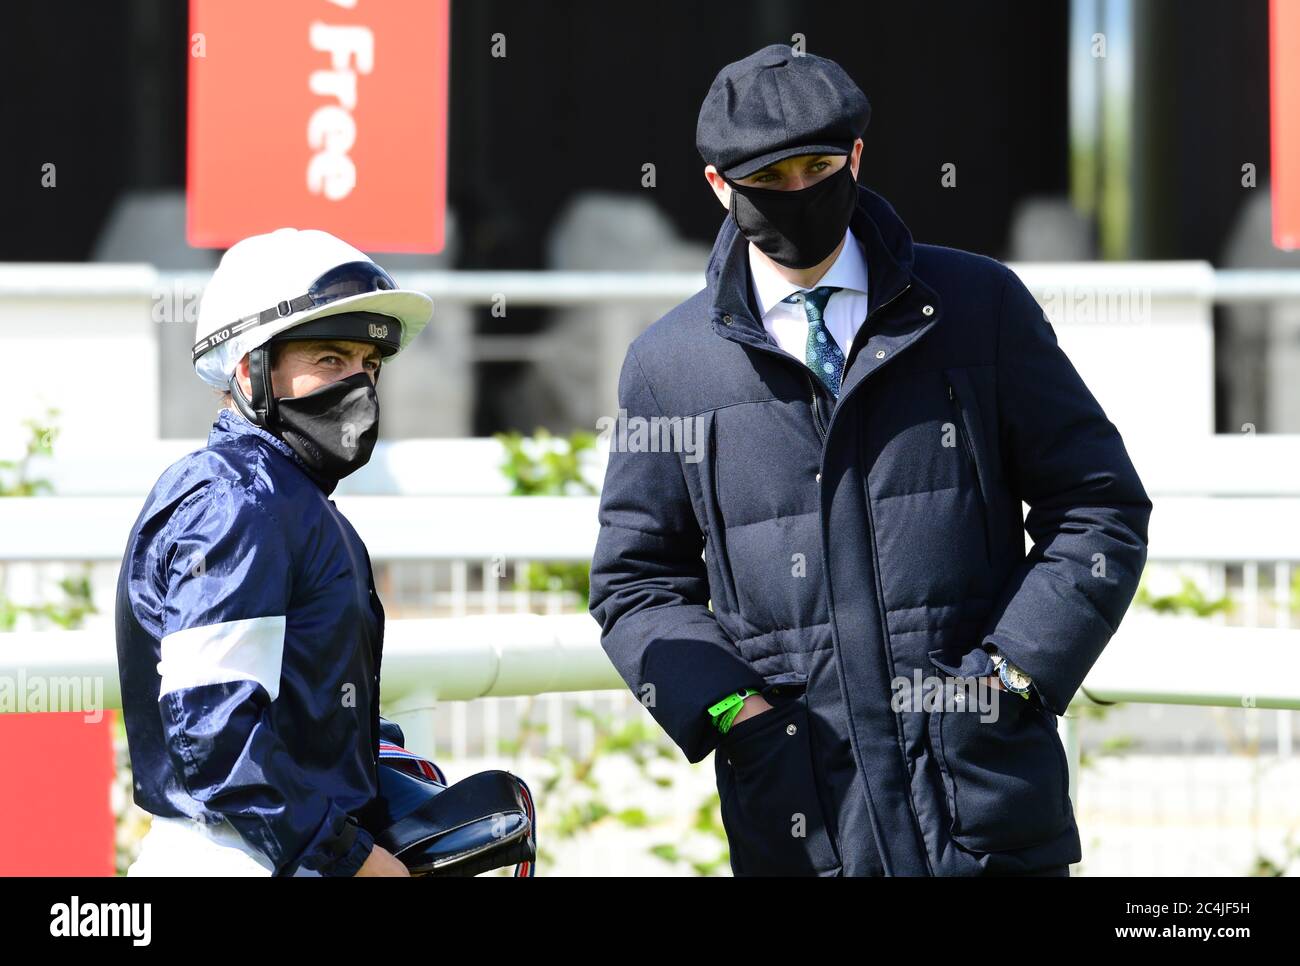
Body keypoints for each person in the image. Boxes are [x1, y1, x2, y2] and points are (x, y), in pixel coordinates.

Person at [588, 44, 1151, 876]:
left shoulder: (979, 306)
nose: (796, 194)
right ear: (717, 185)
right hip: (802, 827)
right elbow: (635, 583)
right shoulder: (667, 367)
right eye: (766, 179)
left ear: (857, 156)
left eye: (817, 166)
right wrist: (737, 711)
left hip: (988, 816)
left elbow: (1099, 506)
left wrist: (1014, 676)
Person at [116, 227, 434, 877]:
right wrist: (351, 857)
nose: (359, 387)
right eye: (329, 360)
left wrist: (391, 781)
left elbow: (295, 709)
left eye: (368, 366)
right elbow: (213, 727)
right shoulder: (241, 501)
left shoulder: (289, 501)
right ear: (248, 369)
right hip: (244, 856)